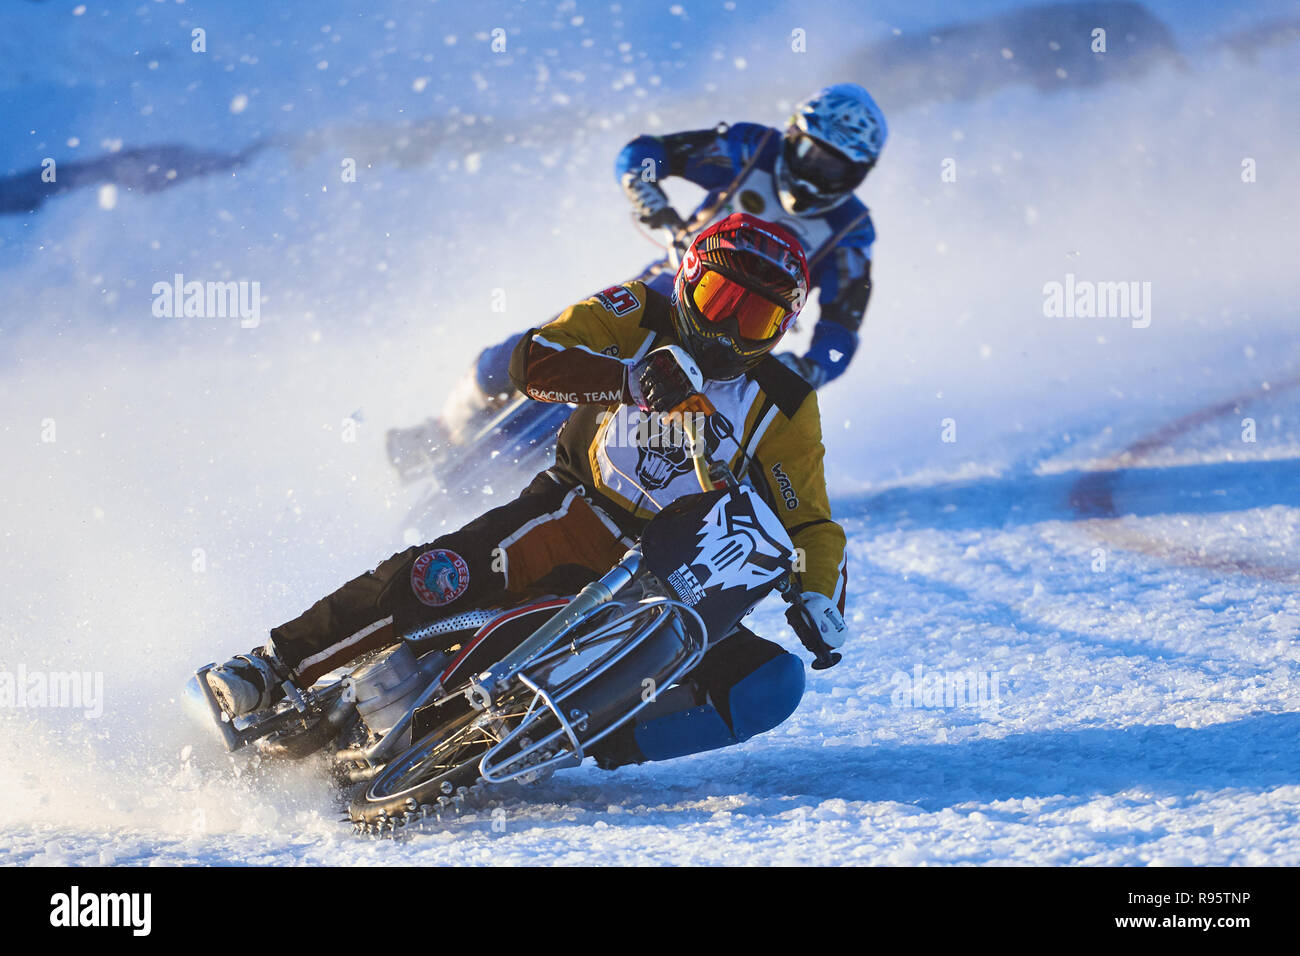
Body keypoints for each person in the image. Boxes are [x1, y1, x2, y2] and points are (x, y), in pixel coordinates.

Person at [209, 213, 848, 769]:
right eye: (717, 301)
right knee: (443, 576)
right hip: (576, 513)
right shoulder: (637, 312)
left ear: (781, 331)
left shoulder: (786, 404)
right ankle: (275, 667)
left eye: (755, 319)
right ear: (687, 282)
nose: (726, 332)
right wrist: (628, 378)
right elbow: (534, 359)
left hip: (676, 575)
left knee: (768, 685)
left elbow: (811, 524)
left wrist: (819, 593)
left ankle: (568, 740)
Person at [387, 83, 886, 479]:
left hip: (731, 349)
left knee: (628, 424)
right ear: (793, 136)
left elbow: (842, 331)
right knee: (514, 355)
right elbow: (642, 154)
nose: (820, 175)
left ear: (859, 173)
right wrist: (653, 202)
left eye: (837, 167)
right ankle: (443, 434)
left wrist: (810, 370)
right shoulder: (749, 149)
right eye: (813, 155)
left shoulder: (852, 233)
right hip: (658, 295)